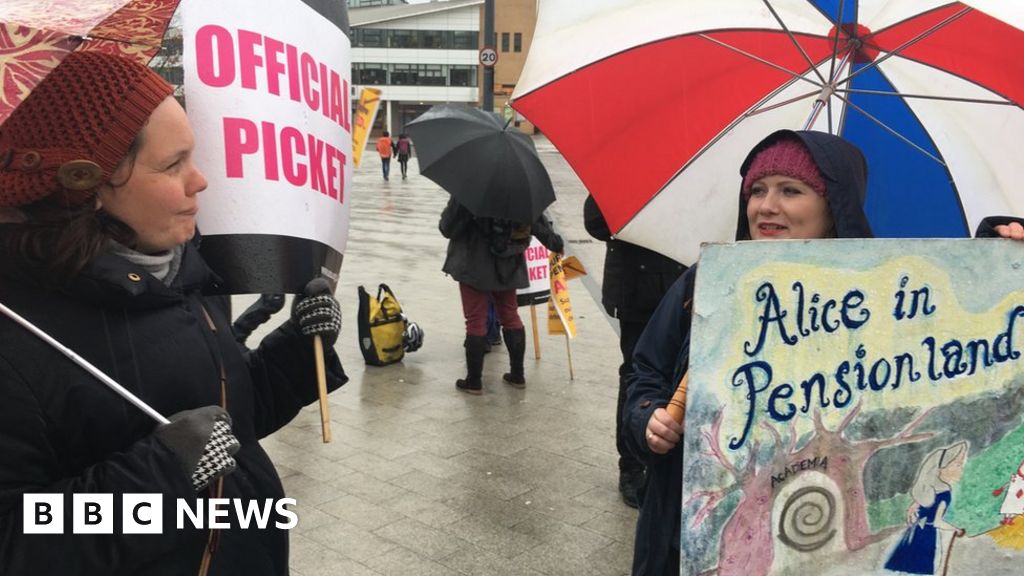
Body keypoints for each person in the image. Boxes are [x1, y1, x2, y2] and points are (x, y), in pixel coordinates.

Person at [0, 52, 347, 575]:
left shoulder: (185, 274)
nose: (200, 180)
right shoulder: (17, 335)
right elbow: (16, 542)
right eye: (172, 164)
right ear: (87, 185)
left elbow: (227, 423)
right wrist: (159, 479)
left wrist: (299, 351)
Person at [623, 129, 875, 575]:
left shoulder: (876, 298)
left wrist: (1001, 250)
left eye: (791, 191)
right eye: (757, 190)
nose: (765, 206)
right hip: (690, 535)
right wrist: (647, 417)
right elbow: (645, 371)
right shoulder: (705, 283)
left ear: (834, 207)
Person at [584, 194, 686, 509]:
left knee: (678, 375)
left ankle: (669, 449)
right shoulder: (622, 168)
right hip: (636, 292)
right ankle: (630, 463)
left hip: (680, 286)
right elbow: (595, 224)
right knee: (635, 375)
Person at [439, 198, 563, 394]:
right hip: (509, 263)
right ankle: (517, 375)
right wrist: (555, 243)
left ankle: (474, 381)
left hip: (474, 263)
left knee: (475, 320)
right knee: (510, 316)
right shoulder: (520, 193)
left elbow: (447, 228)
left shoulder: (470, 190)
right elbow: (541, 227)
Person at [885, 442, 968, 574]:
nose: (960, 470)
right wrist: (956, 529)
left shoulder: (927, 491)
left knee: (907, 569)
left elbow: (922, 504)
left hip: (913, 533)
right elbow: (937, 521)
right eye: (957, 465)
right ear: (941, 469)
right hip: (927, 536)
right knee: (923, 569)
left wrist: (914, 504)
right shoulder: (944, 493)